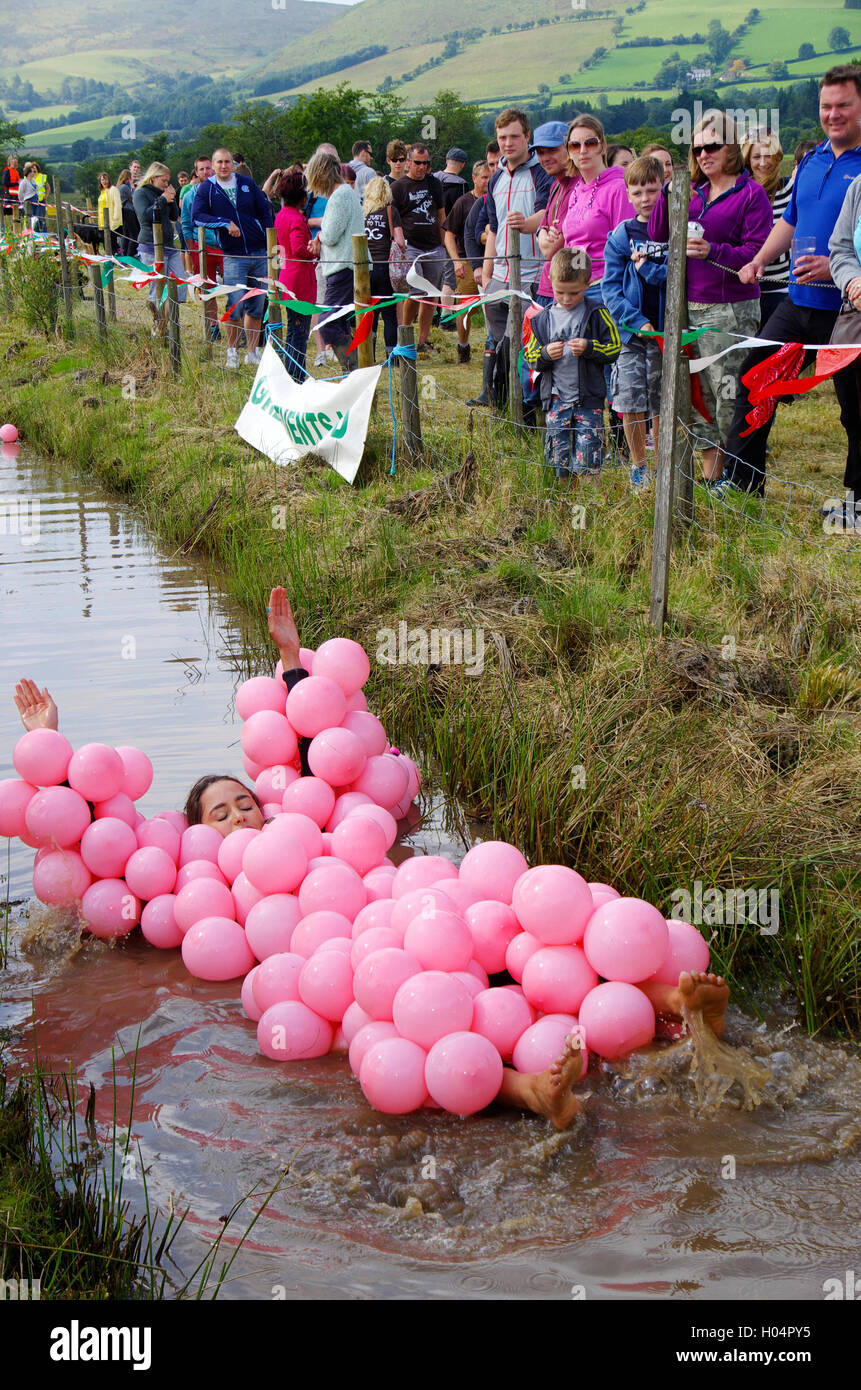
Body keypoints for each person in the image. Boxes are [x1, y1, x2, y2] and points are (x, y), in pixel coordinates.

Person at [12, 585, 732, 1133]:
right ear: (194, 827)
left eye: (243, 801)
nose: (238, 814)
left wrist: (293, 663)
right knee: (400, 1010)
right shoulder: (192, 869)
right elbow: (100, 840)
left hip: (404, 895)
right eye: (218, 810)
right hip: (330, 945)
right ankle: (532, 1089)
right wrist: (50, 748)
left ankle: (669, 1001)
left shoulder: (306, 815)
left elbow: (315, 751)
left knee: (513, 932)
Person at [716, 67, 861, 515]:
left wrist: (837, 269)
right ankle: (743, 484)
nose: (832, 115)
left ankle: (856, 504)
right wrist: (759, 258)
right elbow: (791, 221)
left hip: (846, 310)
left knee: (855, 411)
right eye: (826, 106)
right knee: (753, 381)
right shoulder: (812, 159)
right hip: (796, 301)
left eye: (843, 105)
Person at [647, 109, 772, 486]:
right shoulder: (694, 192)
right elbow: (657, 233)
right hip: (687, 307)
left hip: (731, 308)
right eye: (697, 148)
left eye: (712, 146)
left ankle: (741, 480)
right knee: (697, 397)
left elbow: (758, 251)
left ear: (731, 147)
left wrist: (713, 251)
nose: (703, 154)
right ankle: (711, 476)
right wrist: (668, 191)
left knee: (728, 394)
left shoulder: (750, 194)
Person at [524, 247, 621, 481]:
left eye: (574, 293)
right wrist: (546, 353)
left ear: (587, 284)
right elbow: (530, 355)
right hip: (556, 401)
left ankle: (589, 506)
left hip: (589, 400)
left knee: (588, 459)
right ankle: (562, 506)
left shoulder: (597, 313)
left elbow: (614, 347)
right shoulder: (541, 320)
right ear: (551, 283)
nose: (566, 299)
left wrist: (590, 347)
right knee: (559, 459)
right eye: (560, 292)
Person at [603, 155, 668, 492]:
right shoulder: (621, 236)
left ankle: (663, 466)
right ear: (628, 195)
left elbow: (678, 277)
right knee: (630, 400)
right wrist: (635, 321)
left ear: (664, 189)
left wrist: (647, 270)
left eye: (653, 190)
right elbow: (610, 288)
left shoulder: (675, 229)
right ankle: (639, 465)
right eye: (638, 192)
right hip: (632, 335)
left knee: (660, 400)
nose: (646, 198)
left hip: (666, 334)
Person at [191, 148, 274, 369]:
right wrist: (223, 222)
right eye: (219, 162)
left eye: (227, 162)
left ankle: (252, 351)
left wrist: (270, 239)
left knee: (257, 305)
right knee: (234, 304)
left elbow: (264, 211)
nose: (224, 166)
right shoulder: (207, 189)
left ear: (233, 164)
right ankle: (231, 352)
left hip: (258, 252)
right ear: (213, 164)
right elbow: (197, 216)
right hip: (233, 255)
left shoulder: (247, 184)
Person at [481, 108, 551, 353]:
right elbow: (494, 229)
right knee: (500, 349)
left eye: (514, 136)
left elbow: (547, 215)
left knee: (524, 349)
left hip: (531, 277)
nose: (507, 143)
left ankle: (523, 392)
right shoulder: (494, 180)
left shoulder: (541, 172)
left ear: (527, 136)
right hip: (497, 280)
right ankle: (494, 392)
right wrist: (487, 278)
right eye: (502, 138)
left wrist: (525, 224)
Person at [561, 115, 636, 309]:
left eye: (590, 143)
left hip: (604, 288)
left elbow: (626, 247)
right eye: (575, 145)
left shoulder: (618, 188)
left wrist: (616, 296)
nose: (583, 151)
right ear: (569, 152)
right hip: (574, 287)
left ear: (602, 146)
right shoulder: (576, 190)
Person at [306, 149, 368, 371]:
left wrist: (320, 237)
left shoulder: (340, 195)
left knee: (328, 321)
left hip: (343, 266)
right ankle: (353, 373)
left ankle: (354, 372)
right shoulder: (344, 193)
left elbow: (331, 234)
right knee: (339, 320)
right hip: (345, 265)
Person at [827, 169, 861, 532]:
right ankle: (857, 497)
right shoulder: (859, 186)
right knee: (853, 411)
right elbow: (839, 247)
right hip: (855, 314)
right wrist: (852, 281)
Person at [391, 143, 446, 356]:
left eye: (425, 163)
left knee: (431, 295)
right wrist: (398, 241)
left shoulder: (435, 184)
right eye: (417, 162)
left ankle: (423, 340)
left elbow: (441, 214)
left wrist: (444, 244)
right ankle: (404, 336)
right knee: (415, 293)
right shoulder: (398, 187)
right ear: (408, 161)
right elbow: (391, 216)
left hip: (434, 246)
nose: (422, 167)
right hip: (411, 246)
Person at [442, 160, 490, 364]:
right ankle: (463, 346)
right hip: (468, 260)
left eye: (490, 177)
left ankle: (494, 348)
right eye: (484, 177)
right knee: (466, 307)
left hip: (494, 260)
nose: (487, 181)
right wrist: (456, 262)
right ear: (474, 178)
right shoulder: (463, 202)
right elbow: (448, 235)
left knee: (491, 306)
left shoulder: (496, 200)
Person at [742, 129, 792, 324]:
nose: (763, 163)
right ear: (747, 159)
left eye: (768, 155)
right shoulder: (741, 193)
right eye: (756, 157)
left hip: (782, 288)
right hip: (749, 290)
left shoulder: (791, 189)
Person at [133, 161, 189, 335]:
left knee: (180, 283)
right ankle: (160, 326)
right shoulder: (141, 193)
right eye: (163, 180)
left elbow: (173, 216)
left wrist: (171, 200)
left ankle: (168, 321)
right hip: (151, 246)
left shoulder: (164, 193)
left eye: (168, 180)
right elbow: (145, 215)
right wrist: (163, 199)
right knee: (157, 288)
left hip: (169, 246)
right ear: (153, 177)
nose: (167, 184)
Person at [274, 168, 316, 381]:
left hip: (287, 277)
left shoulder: (281, 215)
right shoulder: (298, 219)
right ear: (302, 196)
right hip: (300, 281)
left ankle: (291, 372)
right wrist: (315, 249)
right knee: (300, 332)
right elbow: (299, 248)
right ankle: (297, 376)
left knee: (293, 329)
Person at [534, 121, 578, 309]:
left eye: (552, 150)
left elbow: (551, 249)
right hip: (546, 284)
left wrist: (542, 234)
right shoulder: (555, 186)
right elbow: (542, 229)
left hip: (565, 291)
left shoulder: (578, 187)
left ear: (569, 149)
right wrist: (542, 232)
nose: (545, 158)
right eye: (540, 152)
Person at [181, 155, 222, 343]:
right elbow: (186, 224)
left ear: (213, 169)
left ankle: (238, 325)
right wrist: (192, 247)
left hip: (225, 247)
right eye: (202, 169)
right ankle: (213, 326)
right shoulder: (190, 196)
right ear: (196, 172)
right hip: (202, 248)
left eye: (208, 168)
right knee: (207, 288)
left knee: (236, 285)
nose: (206, 172)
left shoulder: (223, 192)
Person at [363, 175, 405, 360]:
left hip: (364, 269)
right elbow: (400, 241)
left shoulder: (362, 212)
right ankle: (391, 357)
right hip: (384, 268)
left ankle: (368, 356)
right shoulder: (390, 211)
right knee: (389, 315)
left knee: (368, 313)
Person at [96, 172, 123, 256]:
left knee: (113, 242)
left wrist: (115, 219)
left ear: (109, 180)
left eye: (105, 179)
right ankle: (110, 258)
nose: (104, 181)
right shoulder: (102, 192)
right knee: (105, 242)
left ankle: (120, 256)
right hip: (102, 221)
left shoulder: (113, 189)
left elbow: (118, 205)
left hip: (111, 221)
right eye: (102, 180)